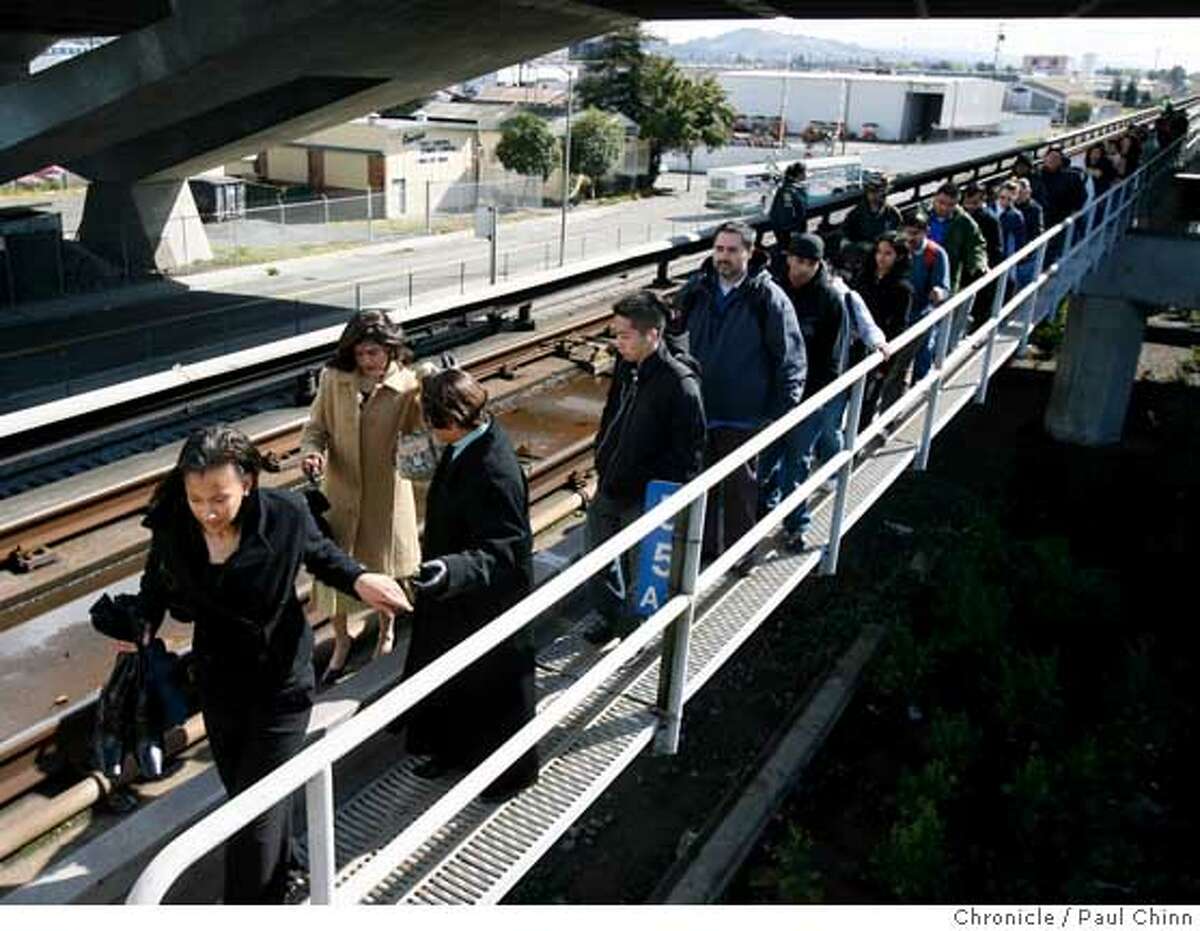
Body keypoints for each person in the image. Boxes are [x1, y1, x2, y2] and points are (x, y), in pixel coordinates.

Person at [124, 426, 410, 903]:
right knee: (243, 791)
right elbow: (156, 583)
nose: (208, 513)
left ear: (249, 482)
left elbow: (321, 556)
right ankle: (291, 855)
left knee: (253, 816)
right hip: (219, 680)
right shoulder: (174, 521)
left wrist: (362, 580)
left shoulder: (286, 516)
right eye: (197, 499)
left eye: (220, 498)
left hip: (280, 684)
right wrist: (141, 626)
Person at [401, 368, 539, 801]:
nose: (428, 428)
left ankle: (507, 776)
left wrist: (452, 570)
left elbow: (506, 547)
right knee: (455, 679)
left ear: (454, 420)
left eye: (432, 420)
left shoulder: (494, 468)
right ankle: (452, 752)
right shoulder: (469, 444)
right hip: (459, 595)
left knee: (493, 690)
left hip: (486, 600)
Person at [299, 309, 424, 684]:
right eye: (360, 353)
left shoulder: (409, 386)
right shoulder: (334, 379)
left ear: (391, 349)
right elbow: (315, 426)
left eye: (374, 352)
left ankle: (385, 629)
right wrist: (312, 451)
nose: (366, 360)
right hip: (339, 490)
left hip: (387, 495)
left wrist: (430, 391)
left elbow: (419, 439)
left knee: (382, 566)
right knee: (336, 571)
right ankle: (341, 640)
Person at [676, 221, 806, 572]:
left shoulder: (768, 298)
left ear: (749, 252)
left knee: (740, 491)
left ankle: (740, 555)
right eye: (719, 249)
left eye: (732, 250)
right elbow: (675, 343)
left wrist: (779, 412)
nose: (724, 257)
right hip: (700, 410)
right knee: (700, 489)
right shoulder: (695, 291)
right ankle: (700, 555)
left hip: (743, 413)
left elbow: (790, 359)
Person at [584, 291, 706, 645]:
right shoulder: (627, 367)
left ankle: (633, 631)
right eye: (615, 334)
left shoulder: (680, 385)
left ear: (652, 335)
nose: (616, 343)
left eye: (623, 335)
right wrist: (601, 456)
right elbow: (611, 414)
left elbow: (689, 454)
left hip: (644, 495)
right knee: (596, 560)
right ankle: (609, 616)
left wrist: (653, 489)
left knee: (643, 571)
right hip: (610, 484)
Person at [760, 232, 847, 550]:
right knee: (763, 460)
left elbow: (831, 361)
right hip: (772, 394)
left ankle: (796, 525)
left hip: (809, 397)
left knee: (796, 463)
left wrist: (813, 402)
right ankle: (761, 513)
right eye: (797, 260)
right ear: (788, 258)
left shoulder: (829, 301)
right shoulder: (773, 289)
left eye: (808, 263)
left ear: (818, 265)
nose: (800, 268)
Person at [852, 232, 913, 427]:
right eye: (879, 252)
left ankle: (858, 439)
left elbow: (898, 326)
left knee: (868, 398)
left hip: (879, 349)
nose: (881, 257)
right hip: (855, 343)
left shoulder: (903, 288)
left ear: (899, 256)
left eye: (888, 253)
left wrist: (885, 364)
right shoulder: (863, 278)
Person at [902, 212, 951, 382]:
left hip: (923, 311)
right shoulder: (899, 250)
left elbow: (945, 287)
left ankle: (919, 386)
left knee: (923, 352)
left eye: (915, 233)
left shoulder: (936, 254)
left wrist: (939, 292)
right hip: (900, 311)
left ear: (925, 232)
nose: (910, 237)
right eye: (907, 232)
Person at [839, 173, 903, 274]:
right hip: (862, 259)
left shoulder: (893, 214)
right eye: (872, 191)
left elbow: (899, 240)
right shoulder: (856, 214)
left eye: (880, 192)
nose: (875, 195)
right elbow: (845, 239)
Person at [1033, 146, 1089, 263]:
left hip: (1060, 218)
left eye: (1056, 158)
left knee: (1054, 247)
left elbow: (1082, 196)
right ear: (1045, 159)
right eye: (1050, 157)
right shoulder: (1036, 177)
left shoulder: (1071, 177)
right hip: (1041, 218)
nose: (1052, 160)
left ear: (1060, 161)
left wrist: (1074, 210)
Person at [961, 181, 1003, 331]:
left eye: (975, 201)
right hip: (963, 268)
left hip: (980, 269)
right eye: (968, 201)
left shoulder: (989, 219)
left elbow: (996, 249)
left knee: (978, 305)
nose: (970, 205)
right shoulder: (961, 215)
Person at [994, 181, 1028, 294]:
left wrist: (1021, 254)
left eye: (1009, 199)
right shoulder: (989, 209)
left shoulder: (1016, 216)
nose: (1005, 202)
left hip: (1004, 254)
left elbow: (1020, 238)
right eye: (1002, 197)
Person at [767, 162, 809, 252]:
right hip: (788, 230)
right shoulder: (787, 191)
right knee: (789, 250)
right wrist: (792, 230)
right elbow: (787, 212)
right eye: (805, 172)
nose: (807, 175)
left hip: (791, 228)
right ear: (799, 174)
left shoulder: (794, 187)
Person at [1014, 178, 1044, 290]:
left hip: (1027, 257)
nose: (1019, 196)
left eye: (1022, 192)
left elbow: (1037, 232)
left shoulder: (1035, 209)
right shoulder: (1010, 208)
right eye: (1017, 193)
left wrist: (1027, 250)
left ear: (1028, 192)